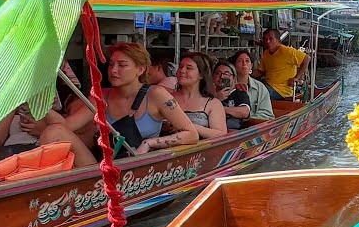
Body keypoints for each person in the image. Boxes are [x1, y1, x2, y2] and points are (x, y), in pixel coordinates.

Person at [38, 43, 197, 166]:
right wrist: (42, 106)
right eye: (111, 64)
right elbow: (64, 128)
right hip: (104, 169)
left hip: (141, 169)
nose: (113, 70)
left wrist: (149, 143)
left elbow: (191, 134)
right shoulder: (101, 96)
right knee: (54, 131)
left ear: (140, 70)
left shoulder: (156, 94)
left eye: (122, 65)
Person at [171, 52, 229, 139]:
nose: (182, 71)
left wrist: (188, 126)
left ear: (201, 75)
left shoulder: (212, 103)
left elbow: (221, 134)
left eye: (189, 68)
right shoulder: (167, 97)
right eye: (180, 67)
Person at [254, 28, 309, 101]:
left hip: (282, 90)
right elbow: (260, 72)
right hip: (268, 84)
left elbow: (307, 58)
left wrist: (296, 77)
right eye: (265, 39)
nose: (268, 41)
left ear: (278, 40)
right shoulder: (266, 53)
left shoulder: (287, 51)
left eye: (271, 39)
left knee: (260, 93)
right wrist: (246, 73)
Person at [232, 50, 274, 120]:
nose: (244, 63)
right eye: (240, 61)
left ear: (251, 65)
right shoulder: (229, 85)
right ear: (234, 65)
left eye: (247, 61)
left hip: (253, 127)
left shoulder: (260, 88)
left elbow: (267, 114)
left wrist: (247, 120)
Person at [213, 61, 251, 130]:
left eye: (226, 74)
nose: (222, 77)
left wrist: (220, 108)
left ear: (233, 78)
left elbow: (245, 112)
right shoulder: (208, 95)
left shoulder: (240, 94)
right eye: (218, 73)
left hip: (234, 132)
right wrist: (216, 99)